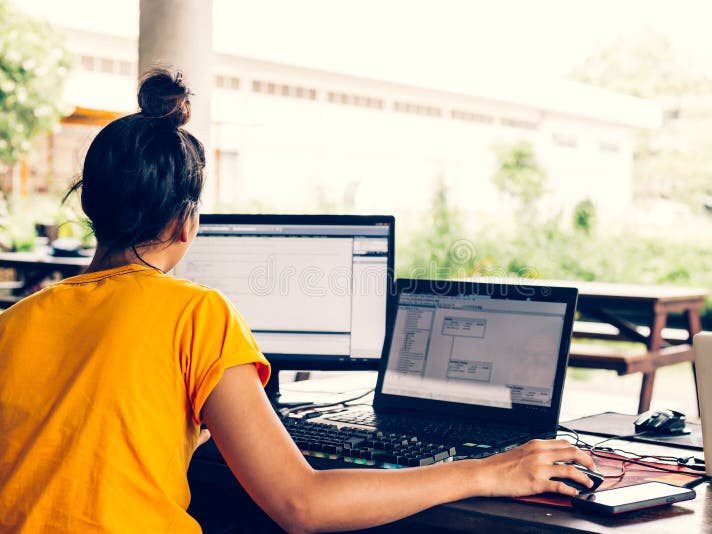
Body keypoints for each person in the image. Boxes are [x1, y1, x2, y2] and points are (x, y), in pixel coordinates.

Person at [0, 68, 595, 533]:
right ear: (187, 223)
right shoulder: (195, 313)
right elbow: (300, 504)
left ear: (91, 209)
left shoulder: (14, 321)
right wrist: (488, 471)